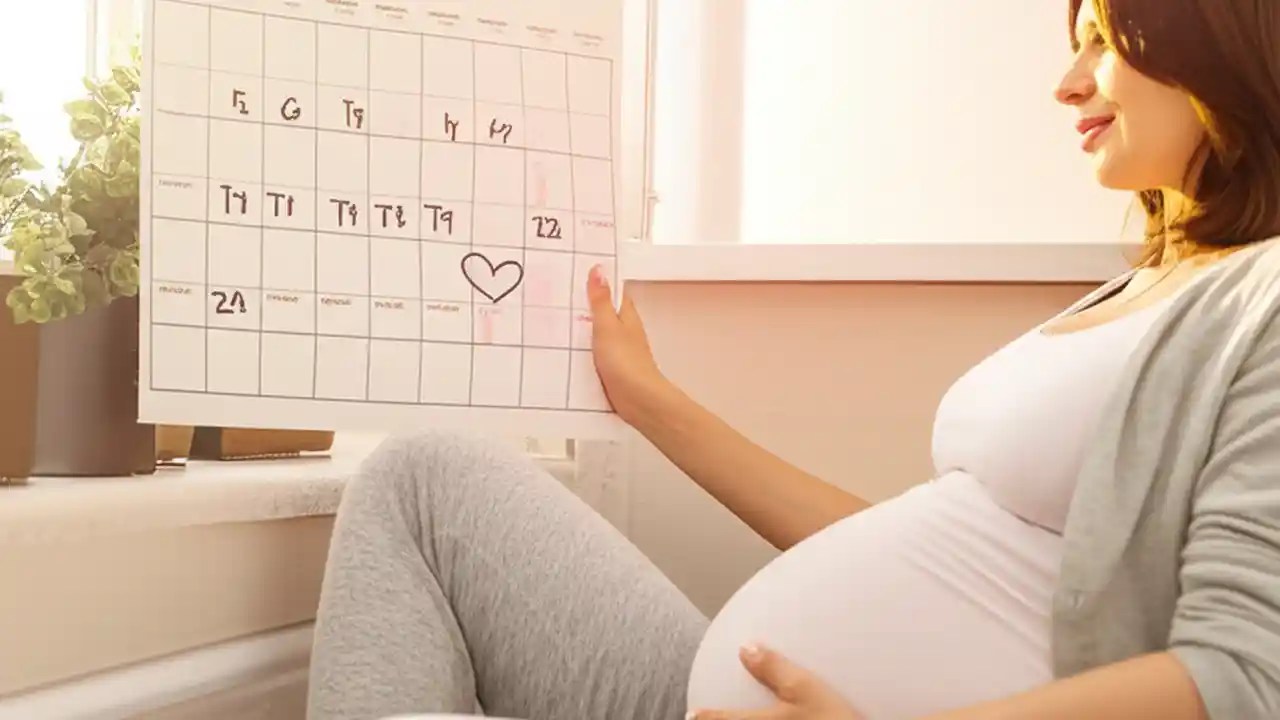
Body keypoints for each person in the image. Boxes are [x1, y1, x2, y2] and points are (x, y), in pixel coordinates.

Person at [306, 0, 1280, 718]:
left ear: (1218, 37)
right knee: (423, 477)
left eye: (1101, 44)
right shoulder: (1138, 289)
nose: (1066, 84)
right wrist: (649, 402)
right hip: (734, 693)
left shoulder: (1263, 300)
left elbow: (1242, 677)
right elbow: (917, 549)